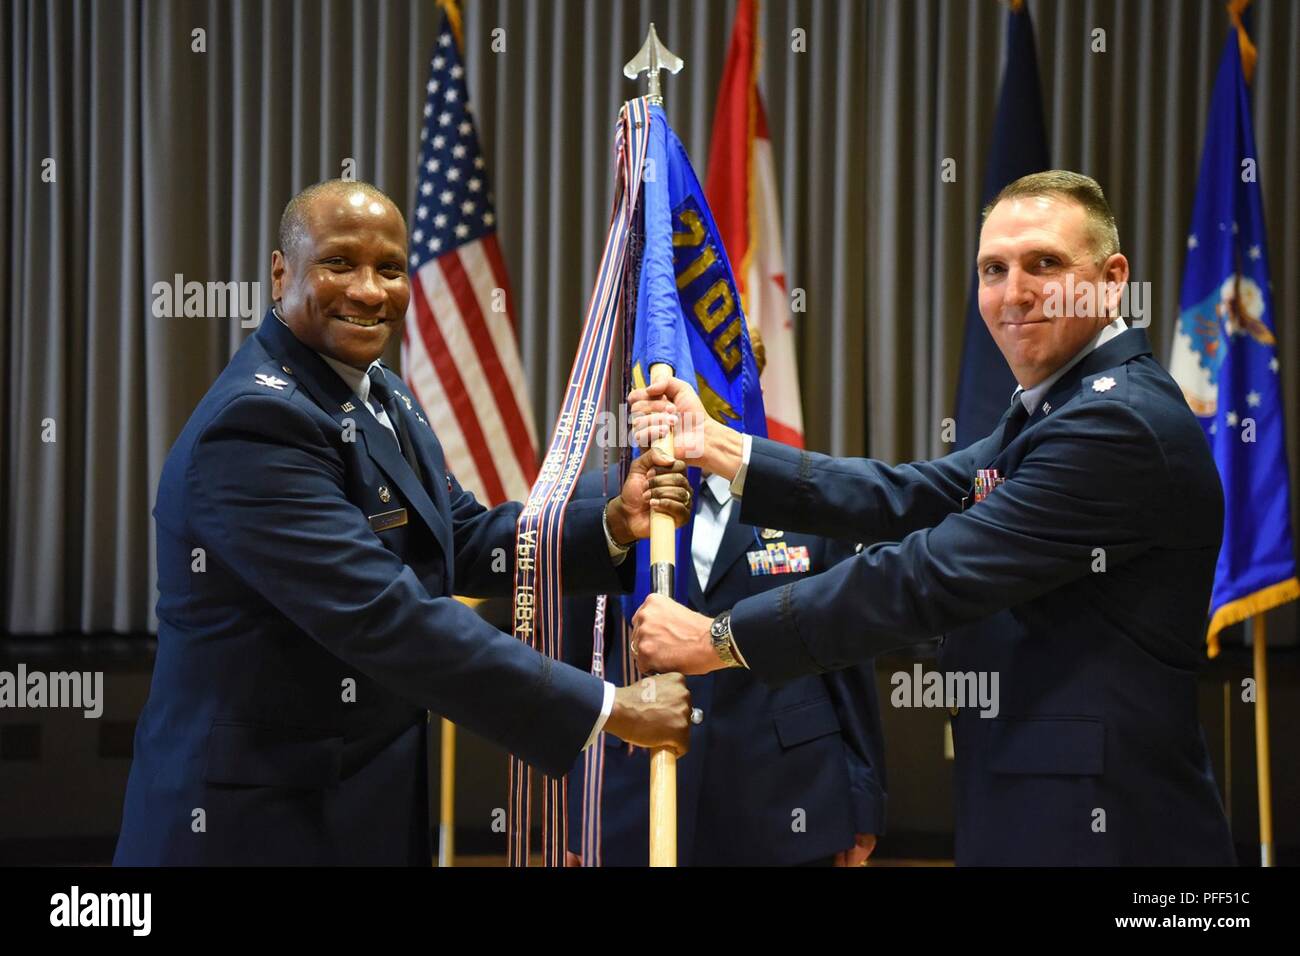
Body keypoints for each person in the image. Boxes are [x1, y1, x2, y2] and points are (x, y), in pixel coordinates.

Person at [629, 170, 1236, 866]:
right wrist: (719, 446)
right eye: (994, 269)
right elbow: (908, 493)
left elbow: (929, 574)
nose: (1015, 293)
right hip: (1039, 801)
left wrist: (720, 638)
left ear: (1112, 277)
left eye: (1046, 264)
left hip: (1107, 826)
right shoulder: (1060, 407)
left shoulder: (1116, 421)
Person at [114, 179, 692, 866]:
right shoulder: (255, 426)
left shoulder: (378, 390)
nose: (369, 290)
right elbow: (388, 617)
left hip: (358, 806)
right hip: (255, 824)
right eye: (339, 264)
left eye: (389, 269)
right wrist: (607, 708)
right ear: (280, 274)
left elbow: (466, 539)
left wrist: (615, 525)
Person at [562, 326, 886, 867]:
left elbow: (846, 659)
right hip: (630, 788)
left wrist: (862, 801)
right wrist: (573, 806)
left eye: (726, 380)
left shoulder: (803, 494)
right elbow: (573, 658)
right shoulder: (605, 500)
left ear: (750, 387)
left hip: (786, 795)